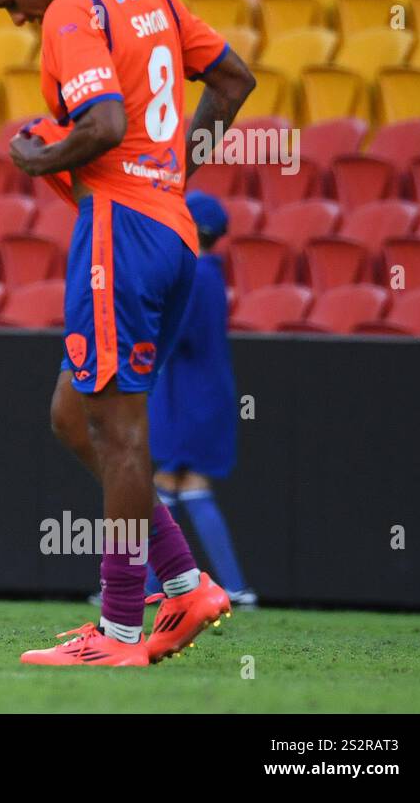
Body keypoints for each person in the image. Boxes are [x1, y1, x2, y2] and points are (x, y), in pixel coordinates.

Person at [0, 0, 257, 666]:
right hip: (170, 230)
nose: (21, 18)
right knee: (75, 416)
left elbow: (102, 122)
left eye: (10, 3)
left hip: (119, 234)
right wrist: (176, 176)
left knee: (120, 433)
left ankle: (122, 627)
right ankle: (186, 583)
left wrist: (41, 157)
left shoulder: (70, 9)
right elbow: (232, 79)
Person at [148, 191, 256, 607]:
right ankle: (226, 586)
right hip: (197, 393)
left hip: (188, 396)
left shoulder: (194, 274)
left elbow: (178, 334)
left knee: (173, 486)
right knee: (172, 486)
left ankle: (148, 588)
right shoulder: (211, 272)